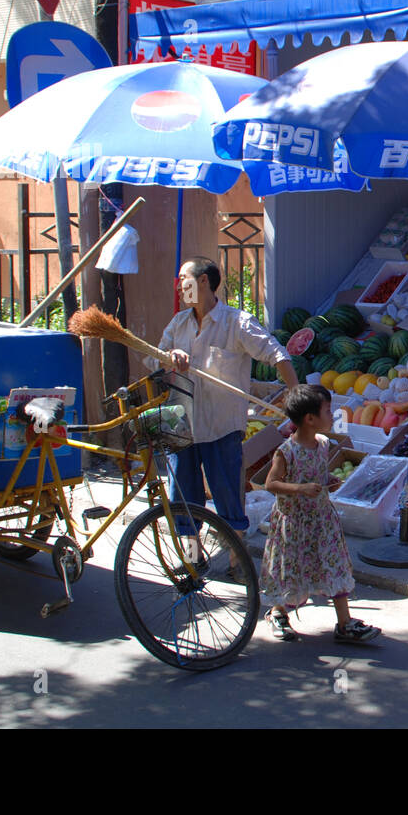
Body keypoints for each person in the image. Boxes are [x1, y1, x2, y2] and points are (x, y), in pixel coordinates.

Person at [155, 257, 298, 545]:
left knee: (229, 497)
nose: (178, 287)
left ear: (203, 281)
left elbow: (278, 355)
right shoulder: (178, 324)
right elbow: (154, 361)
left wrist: (297, 398)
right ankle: (192, 562)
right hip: (181, 425)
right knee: (184, 500)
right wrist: (169, 359)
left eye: (183, 278)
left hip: (222, 427)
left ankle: (235, 559)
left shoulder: (237, 323)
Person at [260, 383, 381, 643]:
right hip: (294, 524)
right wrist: (300, 488)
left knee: (334, 566)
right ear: (310, 419)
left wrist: (328, 479)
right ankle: (278, 612)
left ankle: (345, 623)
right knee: (292, 572)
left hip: (322, 521)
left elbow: (316, 471)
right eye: (328, 410)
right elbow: (271, 483)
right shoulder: (286, 452)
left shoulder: (324, 444)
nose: (333, 414)